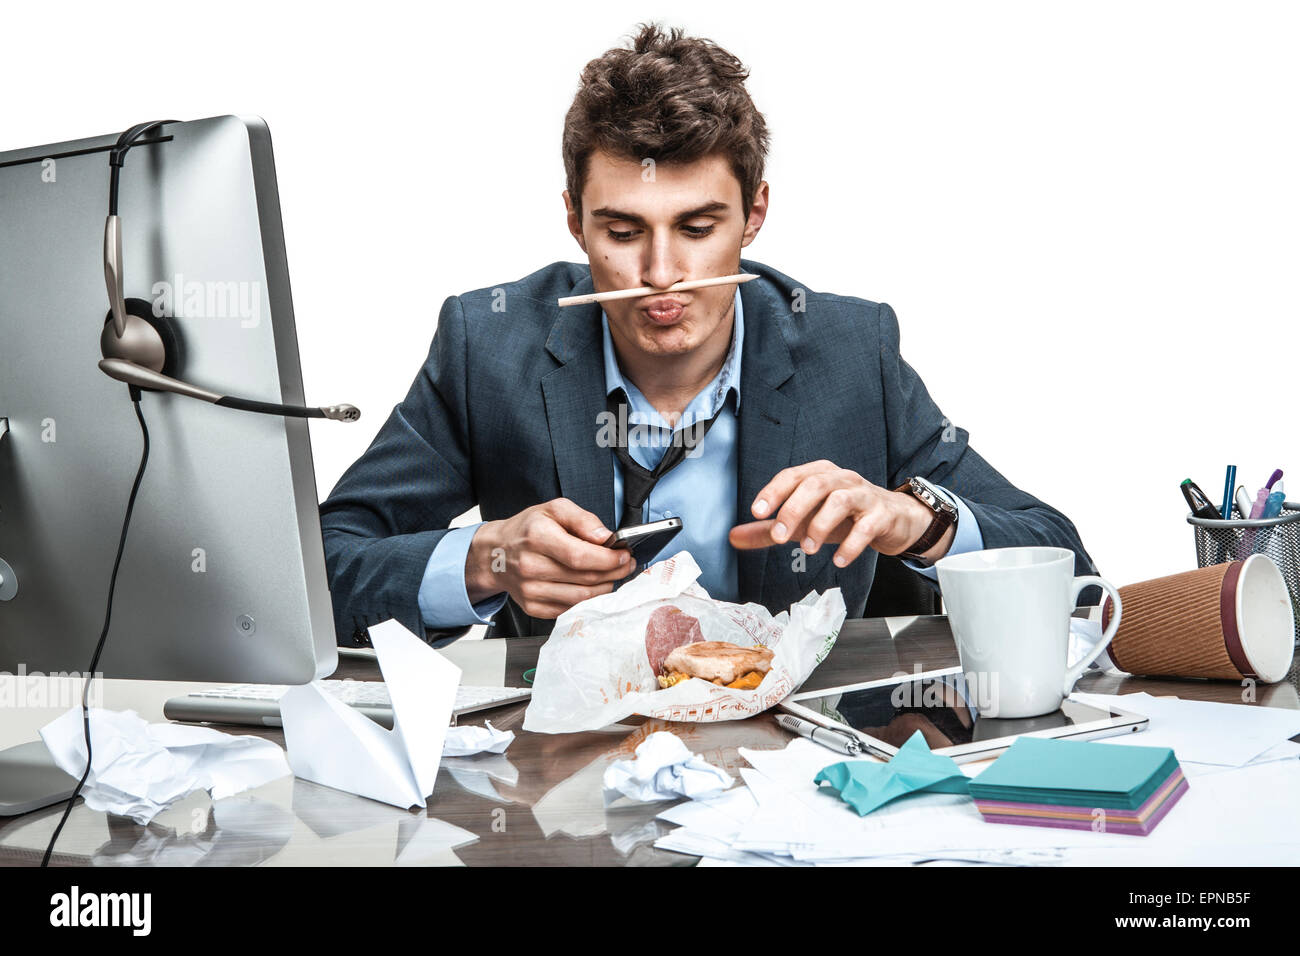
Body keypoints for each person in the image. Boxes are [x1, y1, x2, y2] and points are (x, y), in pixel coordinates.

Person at [319, 23, 1098, 647]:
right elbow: (319, 564)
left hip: (795, 776)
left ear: (755, 214)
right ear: (572, 221)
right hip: (570, 790)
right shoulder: (485, 345)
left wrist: (916, 521)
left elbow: (1066, 567)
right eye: (621, 230)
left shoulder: (852, 348)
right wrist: (485, 560)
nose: (662, 273)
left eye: (697, 227)